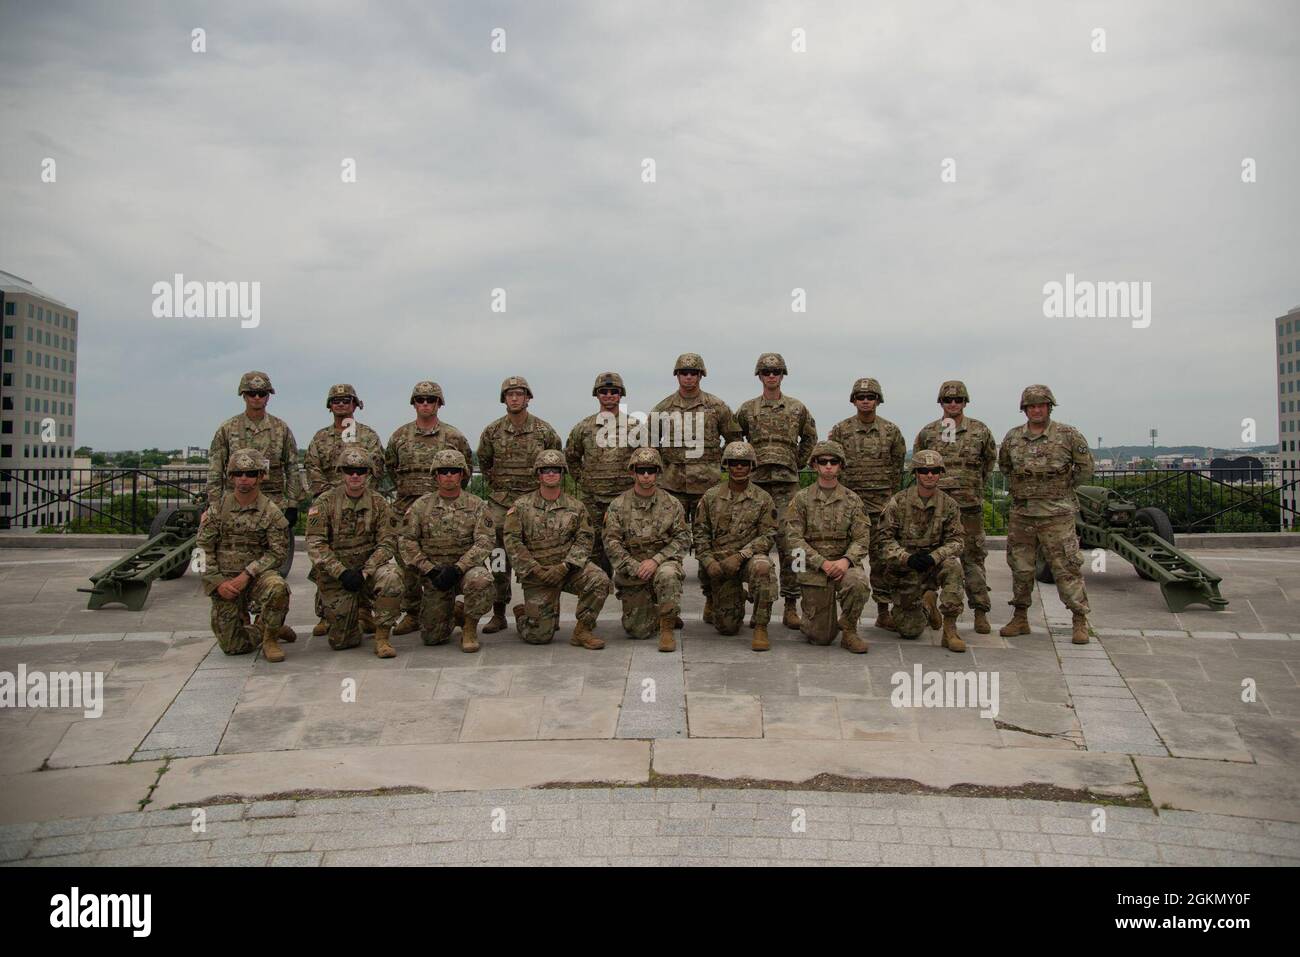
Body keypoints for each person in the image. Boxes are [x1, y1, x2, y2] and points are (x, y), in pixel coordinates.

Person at [998, 385, 1095, 644]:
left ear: (1049, 407)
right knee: (1020, 568)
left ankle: (1079, 619)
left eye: (1041, 405)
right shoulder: (1013, 437)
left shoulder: (1068, 435)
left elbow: (1085, 468)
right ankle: (1020, 617)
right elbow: (1006, 467)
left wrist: (1062, 489)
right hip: (1024, 513)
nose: (1036, 410)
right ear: (1024, 409)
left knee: (1066, 567)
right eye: (1031, 406)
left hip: (1057, 514)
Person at [651, 352, 741, 627]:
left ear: (701, 375)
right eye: (683, 372)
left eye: (693, 372)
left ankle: (712, 599)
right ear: (677, 375)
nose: (688, 377)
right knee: (669, 546)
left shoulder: (717, 406)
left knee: (710, 545)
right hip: (672, 486)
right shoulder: (663, 408)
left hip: (709, 488)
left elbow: (735, 439)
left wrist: (721, 469)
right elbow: (651, 446)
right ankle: (668, 607)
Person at [385, 381, 474, 636]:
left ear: (439, 404)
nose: (425, 404)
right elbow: (391, 466)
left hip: (446, 508)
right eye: (420, 399)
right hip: (407, 507)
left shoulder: (453, 436)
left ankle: (447, 607)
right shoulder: (400, 436)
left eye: (431, 399)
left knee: (445, 558)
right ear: (413, 403)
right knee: (408, 563)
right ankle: (412, 612)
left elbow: (465, 468)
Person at [735, 353, 817, 631]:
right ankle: (746, 600)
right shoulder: (747, 410)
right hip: (755, 485)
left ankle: (791, 605)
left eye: (777, 371)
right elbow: (736, 440)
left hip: (786, 485)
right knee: (747, 543)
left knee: (790, 547)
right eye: (767, 371)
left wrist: (797, 462)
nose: (772, 376)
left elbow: (810, 438)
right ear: (759, 375)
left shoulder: (797, 408)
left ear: (783, 375)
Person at [477, 376, 562, 633]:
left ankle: (543, 612)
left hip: (534, 502)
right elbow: (485, 463)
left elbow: (555, 459)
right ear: (504, 399)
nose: (514, 398)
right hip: (501, 503)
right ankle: (499, 613)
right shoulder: (492, 431)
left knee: (543, 554)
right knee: (499, 558)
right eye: (510, 394)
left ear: (528, 398)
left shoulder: (544, 431)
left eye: (519, 394)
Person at [913, 380, 997, 633]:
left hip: (969, 508)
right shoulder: (928, 433)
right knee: (932, 556)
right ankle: (930, 600)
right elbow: (918, 465)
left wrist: (970, 487)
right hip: (934, 509)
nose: (952, 404)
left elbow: (989, 463)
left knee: (973, 560)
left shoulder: (980, 431)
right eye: (947, 400)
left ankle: (980, 612)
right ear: (940, 403)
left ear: (965, 402)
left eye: (958, 400)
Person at [503, 450, 611, 649]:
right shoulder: (521, 507)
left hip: (569, 570)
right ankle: (523, 615)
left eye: (556, 470)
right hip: (538, 574)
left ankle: (583, 630)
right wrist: (535, 569)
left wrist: (564, 566)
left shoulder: (576, 507)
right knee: (539, 637)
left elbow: (585, 539)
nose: (551, 474)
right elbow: (512, 542)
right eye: (546, 470)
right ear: (538, 474)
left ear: (562, 473)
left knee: (600, 580)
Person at [195, 448, 293, 662]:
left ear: (260, 476)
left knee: (278, 588)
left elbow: (278, 552)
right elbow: (201, 550)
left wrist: (249, 573)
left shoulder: (271, 511)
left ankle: (270, 637)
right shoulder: (217, 510)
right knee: (232, 646)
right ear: (231, 477)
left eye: (250, 474)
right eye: (238, 474)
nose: (243, 479)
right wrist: (218, 582)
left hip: (256, 578)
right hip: (225, 581)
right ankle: (264, 626)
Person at [305, 446, 405, 658]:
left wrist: (367, 570)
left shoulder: (379, 503)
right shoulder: (323, 503)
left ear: (368, 473)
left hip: (367, 570)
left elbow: (387, 542)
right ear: (341, 473)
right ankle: (356, 617)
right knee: (342, 642)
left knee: (392, 577)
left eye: (361, 470)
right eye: (349, 470)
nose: (355, 475)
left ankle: (382, 636)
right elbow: (315, 544)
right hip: (338, 574)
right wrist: (341, 572)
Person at [304, 383, 385, 637]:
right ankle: (327, 614)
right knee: (326, 557)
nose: (341, 404)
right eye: (336, 400)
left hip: (363, 504)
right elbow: (312, 468)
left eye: (346, 400)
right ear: (329, 406)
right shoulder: (320, 438)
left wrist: (357, 490)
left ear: (355, 404)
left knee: (365, 554)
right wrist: (334, 495)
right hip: (329, 506)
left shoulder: (368, 436)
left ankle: (364, 610)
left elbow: (376, 467)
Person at [397, 450, 495, 653]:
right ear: (436, 475)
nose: (449, 475)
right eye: (443, 471)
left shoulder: (476, 505)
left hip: (464, 571)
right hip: (435, 574)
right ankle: (454, 612)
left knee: (481, 580)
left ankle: (469, 627)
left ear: (462, 475)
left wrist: (459, 568)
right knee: (432, 638)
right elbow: (407, 541)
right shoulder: (421, 506)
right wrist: (430, 570)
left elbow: (485, 541)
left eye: (454, 471)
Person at [828, 377, 905, 633]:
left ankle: (883, 611)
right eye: (861, 397)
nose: (865, 401)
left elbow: (897, 467)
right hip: (849, 506)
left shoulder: (891, 431)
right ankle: (841, 613)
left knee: (883, 561)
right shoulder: (840, 430)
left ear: (878, 401)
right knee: (845, 557)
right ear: (853, 400)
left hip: (881, 506)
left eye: (870, 397)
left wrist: (888, 499)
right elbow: (833, 464)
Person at [785, 440, 872, 653]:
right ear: (814, 465)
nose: (828, 466)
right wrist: (822, 563)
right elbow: (793, 540)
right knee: (820, 637)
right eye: (822, 461)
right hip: (814, 568)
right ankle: (820, 620)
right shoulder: (801, 499)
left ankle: (849, 630)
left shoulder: (853, 500)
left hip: (843, 566)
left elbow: (862, 539)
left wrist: (845, 561)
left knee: (859, 582)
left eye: (834, 461)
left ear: (841, 465)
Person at [602, 447, 692, 652]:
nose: (645, 475)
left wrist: (657, 560)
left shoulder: (672, 503)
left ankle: (667, 626)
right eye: (641, 470)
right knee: (638, 631)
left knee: (669, 574)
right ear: (632, 472)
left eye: (650, 470)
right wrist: (634, 566)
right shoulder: (617, 505)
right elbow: (611, 542)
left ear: (657, 472)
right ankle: (659, 610)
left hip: (661, 564)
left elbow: (683, 538)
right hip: (633, 570)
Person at [878, 450, 968, 652]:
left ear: (940, 473)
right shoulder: (897, 502)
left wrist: (935, 556)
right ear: (916, 473)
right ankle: (928, 604)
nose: (930, 475)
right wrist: (906, 558)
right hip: (907, 568)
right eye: (924, 470)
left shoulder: (949, 505)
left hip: (934, 565)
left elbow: (957, 541)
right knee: (910, 631)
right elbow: (884, 541)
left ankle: (950, 630)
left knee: (953, 567)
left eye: (935, 470)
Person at [693, 442, 779, 651]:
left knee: (764, 568)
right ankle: (720, 598)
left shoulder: (763, 499)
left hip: (749, 559)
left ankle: (760, 625)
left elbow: (768, 535)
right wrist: (708, 561)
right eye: (734, 463)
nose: (739, 467)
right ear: (726, 465)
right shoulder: (711, 497)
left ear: (751, 466)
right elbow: (700, 533)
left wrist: (742, 556)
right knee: (727, 627)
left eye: (744, 463)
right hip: (721, 563)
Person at [206, 371, 304, 525]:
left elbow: (292, 468)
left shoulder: (280, 428)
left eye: (261, 393)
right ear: (244, 396)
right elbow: (215, 469)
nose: (257, 397)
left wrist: (292, 504)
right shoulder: (228, 428)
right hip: (235, 502)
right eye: (252, 393)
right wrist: (214, 503)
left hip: (273, 503)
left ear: (268, 396)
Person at [565, 372, 634, 576]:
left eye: (614, 391)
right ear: (597, 395)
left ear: (621, 395)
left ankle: (628, 584)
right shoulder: (584, 428)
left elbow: (645, 457)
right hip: (592, 497)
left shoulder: (635, 427)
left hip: (624, 497)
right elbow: (571, 457)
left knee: (626, 541)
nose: (609, 395)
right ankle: (598, 583)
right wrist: (583, 480)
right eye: (604, 391)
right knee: (592, 543)